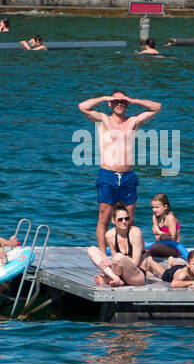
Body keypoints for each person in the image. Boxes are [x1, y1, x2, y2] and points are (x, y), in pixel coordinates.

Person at [78, 90, 163, 252]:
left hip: (128, 177)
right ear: (110, 103)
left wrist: (133, 99)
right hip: (108, 175)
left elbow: (156, 107)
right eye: (116, 101)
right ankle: (103, 255)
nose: (120, 104)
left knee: (128, 219)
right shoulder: (103, 120)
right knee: (104, 217)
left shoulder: (133, 122)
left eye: (123, 102)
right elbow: (83, 107)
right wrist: (104, 97)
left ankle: (128, 252)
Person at [87, 205, 147, 287]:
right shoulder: (109, 235)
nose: (124, 221)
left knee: (118, 257)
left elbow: (135, 262)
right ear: (113, 220)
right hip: (119, 272)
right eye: (120, 219)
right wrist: (112, 264)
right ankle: (114, 278)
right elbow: (116, 264)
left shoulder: (135, 232)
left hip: (137, 274)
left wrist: (112, 262)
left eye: (126, 218)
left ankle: (108, 279)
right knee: (91, 250)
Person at [145, 193, 183, 258]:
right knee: (143, 248)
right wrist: (159, 235)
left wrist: (159, 232)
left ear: (165, 207)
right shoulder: (154, 217)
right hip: (161, 246)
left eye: (157, 207)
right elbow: (156, 237)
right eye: (153, 207)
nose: (154, 210)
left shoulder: (170, 218)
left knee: (159, 242)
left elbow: (172, 238)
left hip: (174, 249)